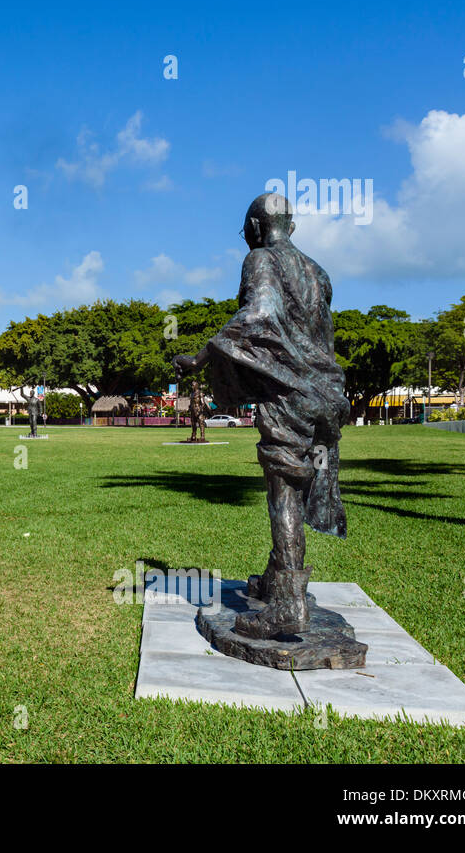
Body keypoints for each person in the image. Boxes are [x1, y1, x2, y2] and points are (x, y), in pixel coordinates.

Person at [174, 193, 349, 639]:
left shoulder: (261, 260)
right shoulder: (317, 271)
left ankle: (288, 604)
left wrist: (199, 356)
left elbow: (260, 313)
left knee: (284, 489)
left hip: (292, 394)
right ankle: (279, 578)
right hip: (326, 393)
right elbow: (318, 334)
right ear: (292, 226)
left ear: (255, 225)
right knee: (303, 480)